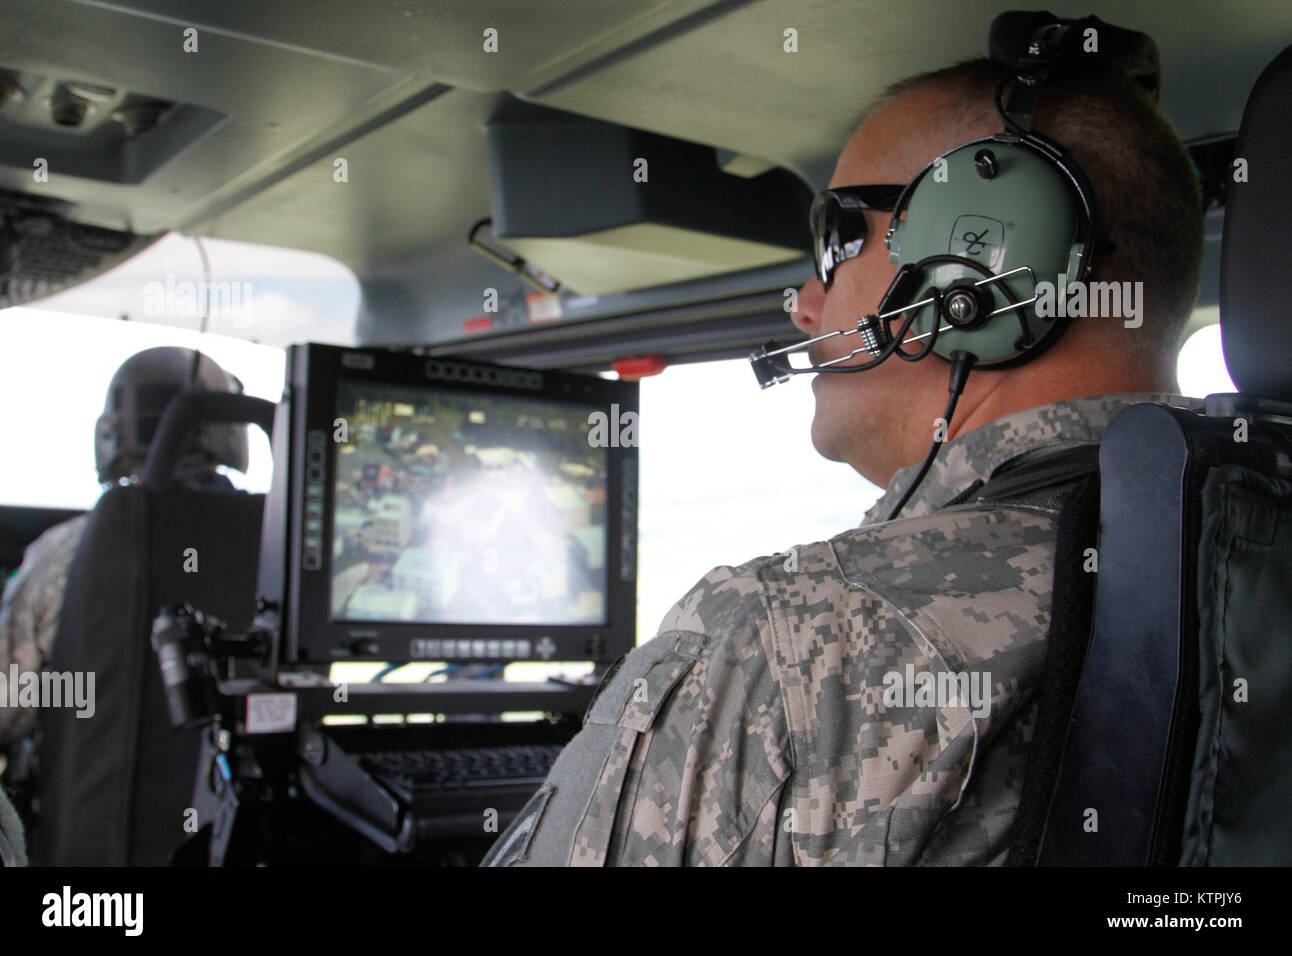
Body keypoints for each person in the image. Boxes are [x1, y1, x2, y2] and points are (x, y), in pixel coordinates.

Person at [482, 49, 1205, 865]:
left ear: (981, 261)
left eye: (837, 237)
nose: (808, 307)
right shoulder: (1241, 553)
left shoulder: (793, 639)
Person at [0, 346, 248, 761]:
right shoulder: (279, 551)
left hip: (84, 822)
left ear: (113, 434)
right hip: (244, 817)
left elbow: (2, 712)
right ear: (231, 434)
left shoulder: (65, 551)